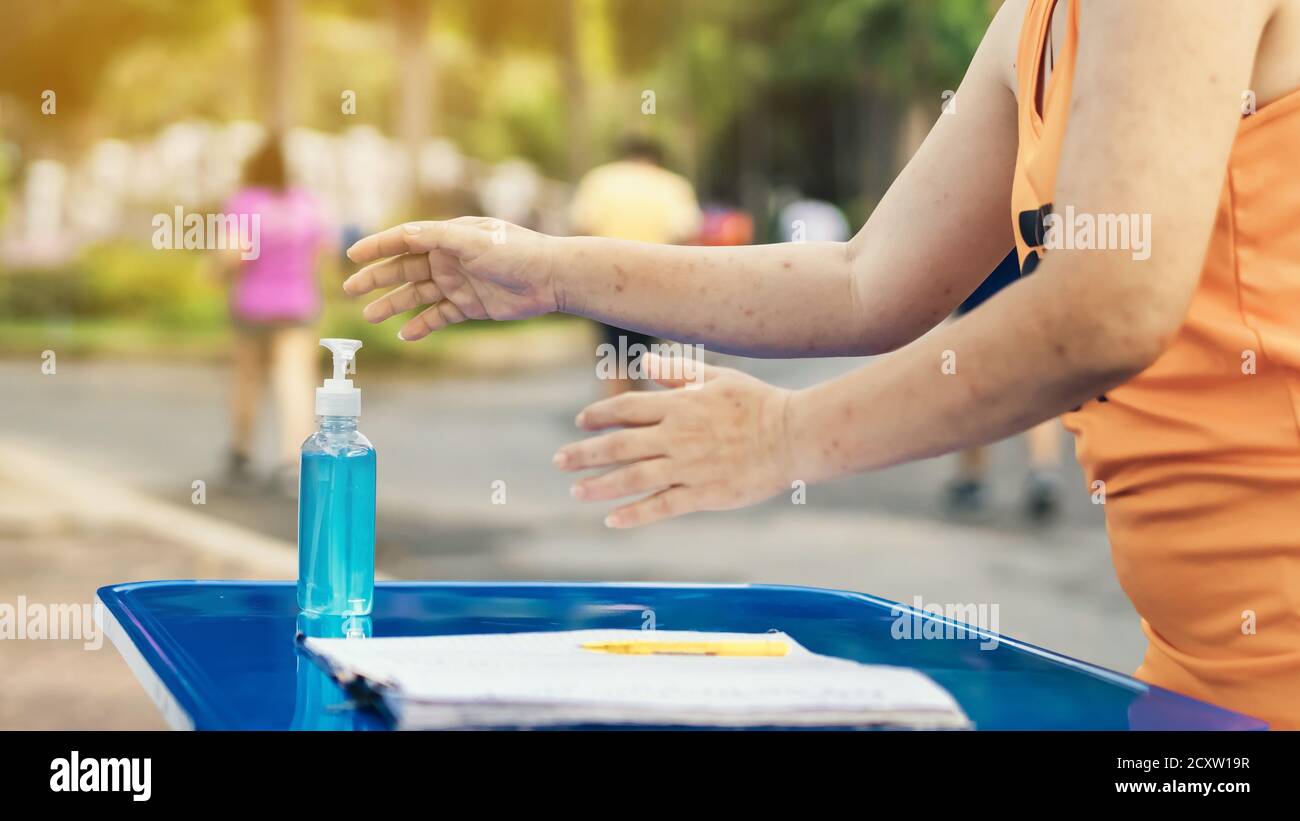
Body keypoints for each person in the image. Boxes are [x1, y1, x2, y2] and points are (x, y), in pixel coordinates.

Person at [342, 0, 1300, 728]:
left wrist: (784, 433)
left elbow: (1107, 304)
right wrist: (552, 271)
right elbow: (865, 279)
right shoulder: (1031, 20)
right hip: (1199, 673)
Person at [221, 136, 331, 493]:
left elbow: (232, 255)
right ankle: (292, 459)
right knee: (294, 379)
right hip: (297, 302)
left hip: (253, 302)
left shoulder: (245, 203)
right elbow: (323, 253)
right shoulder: (305, 203)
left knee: (247, 379)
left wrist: (216, 274)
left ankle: (242, 451)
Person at [568, 136, 701, 396]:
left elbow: (581, 228)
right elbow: (686, 234)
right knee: (643, 357)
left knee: (614, 356)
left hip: (604, 279)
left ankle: (614, 416)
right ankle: (636, 417)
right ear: (656, 159)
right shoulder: (671, 185)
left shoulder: (599, 181)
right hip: (655, 281)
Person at [945, 250, 1064, 522]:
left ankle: (972, 479)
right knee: (1036, 394)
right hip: (1030, 306)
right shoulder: (1042, 208)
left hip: (979, 308)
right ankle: (1044, 470)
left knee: (974, 394)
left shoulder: (973, 210)